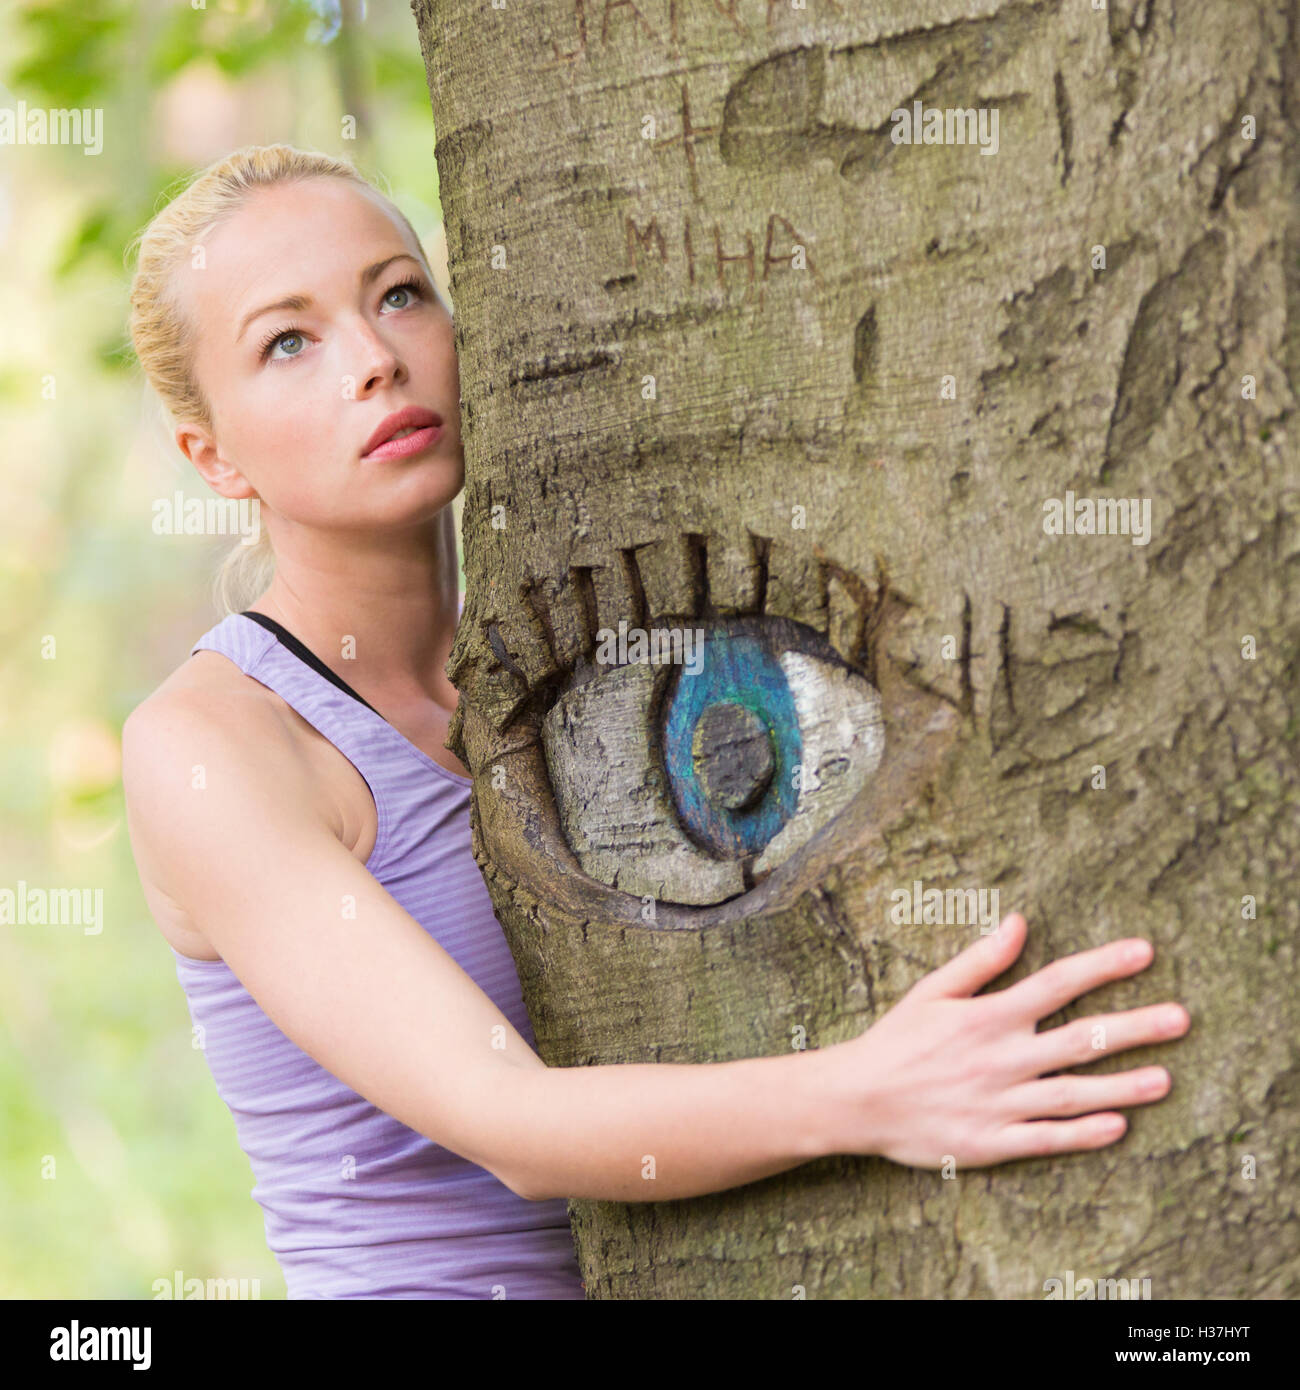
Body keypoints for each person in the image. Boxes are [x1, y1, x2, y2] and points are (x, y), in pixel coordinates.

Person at [121, 144, 1191, 1299]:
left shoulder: (542, 671)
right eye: (289, 341)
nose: (375, 360)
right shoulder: (211, 748)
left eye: (398, 294)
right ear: (211, 455)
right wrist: (875, 1090)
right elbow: (510, 1125)